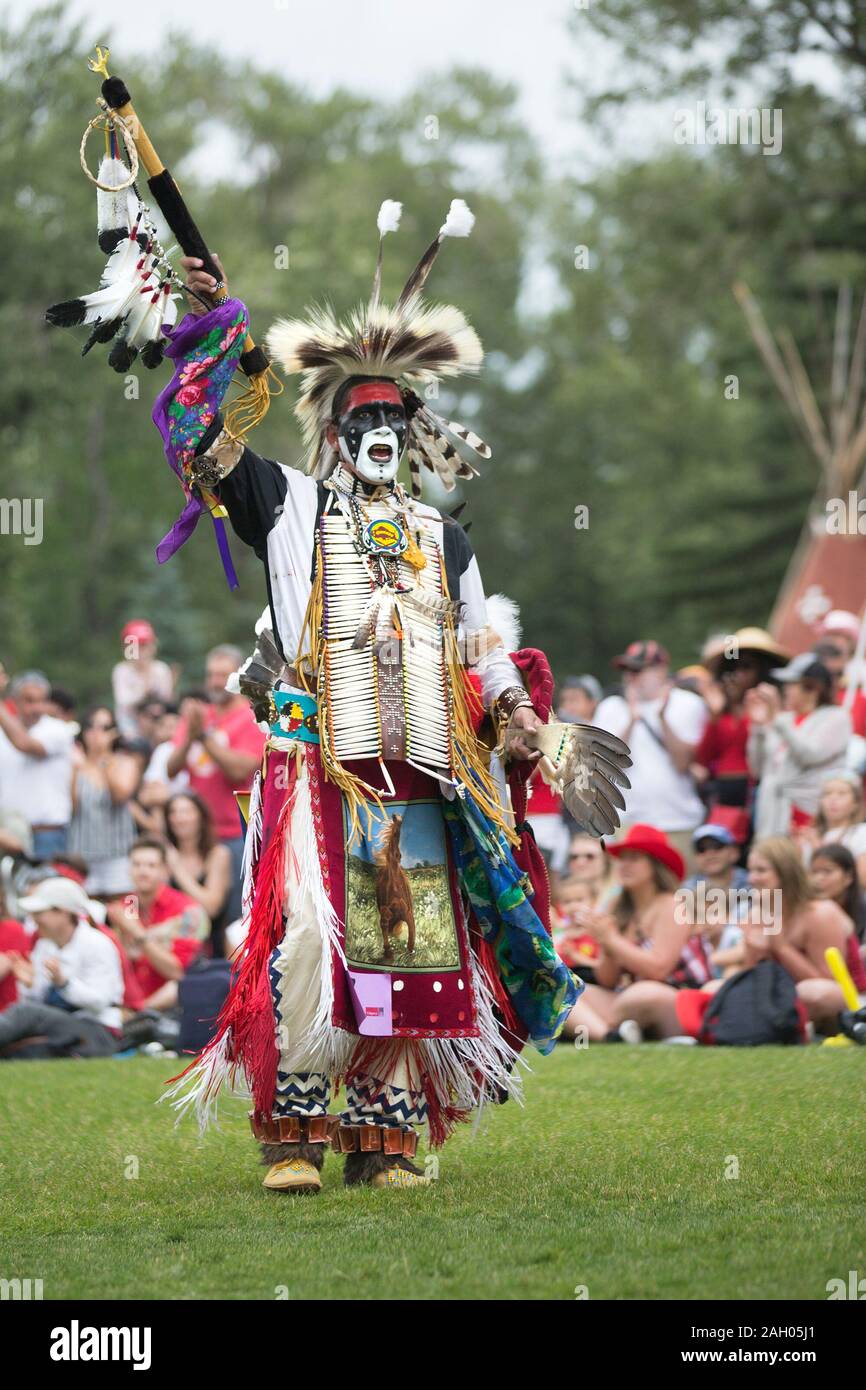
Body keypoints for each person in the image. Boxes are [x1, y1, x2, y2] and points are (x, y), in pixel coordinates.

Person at [157, 198, 622, 1194]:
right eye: (360, 416)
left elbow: (482, 647)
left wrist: (521, 722)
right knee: (311, 940)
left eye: (391, 418)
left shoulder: (442, 537)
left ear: (412, 433)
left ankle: (385, 1137)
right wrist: (216, 333)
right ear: (334, 428)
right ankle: (291, 1133)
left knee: (407, 947)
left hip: (419, 776)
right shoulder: (288, 507)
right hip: (317, 766)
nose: (376, 429)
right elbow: (209, 449)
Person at [560, 824, 712, 1042]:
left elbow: (658, 969)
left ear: (655, 865)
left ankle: (591, 1025)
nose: (624, 864)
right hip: (630, 997)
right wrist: (607, 944)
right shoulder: (616, 906)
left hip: (681, 997)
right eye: (622, 858)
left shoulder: (673, 904)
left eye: (634, 858)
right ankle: (610, 1036)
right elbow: (608, 981)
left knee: (642, 994)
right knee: (561, 989)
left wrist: (612, 939)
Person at [166, 648, 265, 922]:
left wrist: (203, 736)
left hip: (236, 833)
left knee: (233, 916)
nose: (215, 682)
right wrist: (190, 737)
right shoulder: (199, 715)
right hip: (196, 836)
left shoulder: (251, 716)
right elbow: (171, 769)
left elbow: (238, 770)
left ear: (239, 676)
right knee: (195, 916)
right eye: (211, 675)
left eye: (223, 675)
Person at [594, 641, 708, 868]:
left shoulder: (689, 703)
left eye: (637, 670)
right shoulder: (611, 707)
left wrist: (663, 718)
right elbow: (606, 764)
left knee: (682, 896)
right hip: (629, 821)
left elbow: (682, 763)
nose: (630, 677)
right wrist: (631, 719)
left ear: (661, 671)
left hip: (678, 820)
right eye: (626, 671)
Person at [0, 877, 122, 1058]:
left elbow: (100, 1002)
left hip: (98, 1030)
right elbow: (39, 1001)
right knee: (16, 1053)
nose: (34, 920)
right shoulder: (45, 945)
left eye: (40, 913)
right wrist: (28, 984)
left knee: (25, 1013)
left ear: (63, 913)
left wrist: (63, 983)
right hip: (64, 1028)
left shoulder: (97, 944)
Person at [747, 654, 851, 838]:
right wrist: (759, 728)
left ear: (812, 688)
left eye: (791, 684)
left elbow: (810, 754)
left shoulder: (836, 717)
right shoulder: (786, 719)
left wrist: (776, 716)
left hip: (807, 816)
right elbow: (757, 768)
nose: (785, 690)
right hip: (771, 816)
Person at [695, 627, 789, 824]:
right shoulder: (721, 709)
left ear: (762, 669)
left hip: (757, 787)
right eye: (733, 667)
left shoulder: (772, 702)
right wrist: (714, 715)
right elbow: (704, 757)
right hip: (723, 791)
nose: (738, 674)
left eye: (746, 666)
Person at [107, 838, 208, 1013]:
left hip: (170, 1006)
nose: (142, 871)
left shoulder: (186, 910)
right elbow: (123, 960)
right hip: (127, 1002)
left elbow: (177, 972)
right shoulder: (127, 905)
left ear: (165, 871)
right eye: (136, 865)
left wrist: (137, 933)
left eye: (151, 865)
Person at [67, 706, 144, 897]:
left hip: (119, 856)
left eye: (104, 727)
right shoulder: (75, 765)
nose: (97, 733)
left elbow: (120, 795)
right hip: (83, 858)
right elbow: (71, 808)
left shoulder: (125, 762)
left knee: (129, 910)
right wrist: (77, 769)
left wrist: (102, 760)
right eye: (91, 726)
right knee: (89, 914)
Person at [0, 670, 77, 859]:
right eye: (29, 700)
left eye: (42, 701)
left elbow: (25, 744)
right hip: (8, 835)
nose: (37, 708)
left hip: (47, 834)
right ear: (15, 701)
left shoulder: (58, 730)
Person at [164, 792, 232, 958]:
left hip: (209, 948)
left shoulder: (218, 854)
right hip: (169, 945)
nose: (179, 818)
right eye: (174, 812)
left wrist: (177, 869)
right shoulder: (163, 854)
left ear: (201, 817)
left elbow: (211, 907)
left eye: (187, 811)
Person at [111, 619, 175, 740]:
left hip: (156, 725)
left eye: (144, 646)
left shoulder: (161, 670)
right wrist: (144, 689)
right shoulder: (122, 671)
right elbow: (124, 701)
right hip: (129, 727)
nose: (141, 651)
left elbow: (165, 699)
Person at [803, 772, 866, 888]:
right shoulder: (813, 836)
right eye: (827, 794)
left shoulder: (861, 833)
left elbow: (863, 879)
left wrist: (818, 849)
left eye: (842, 794)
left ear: (855, 803)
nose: (833, 799)